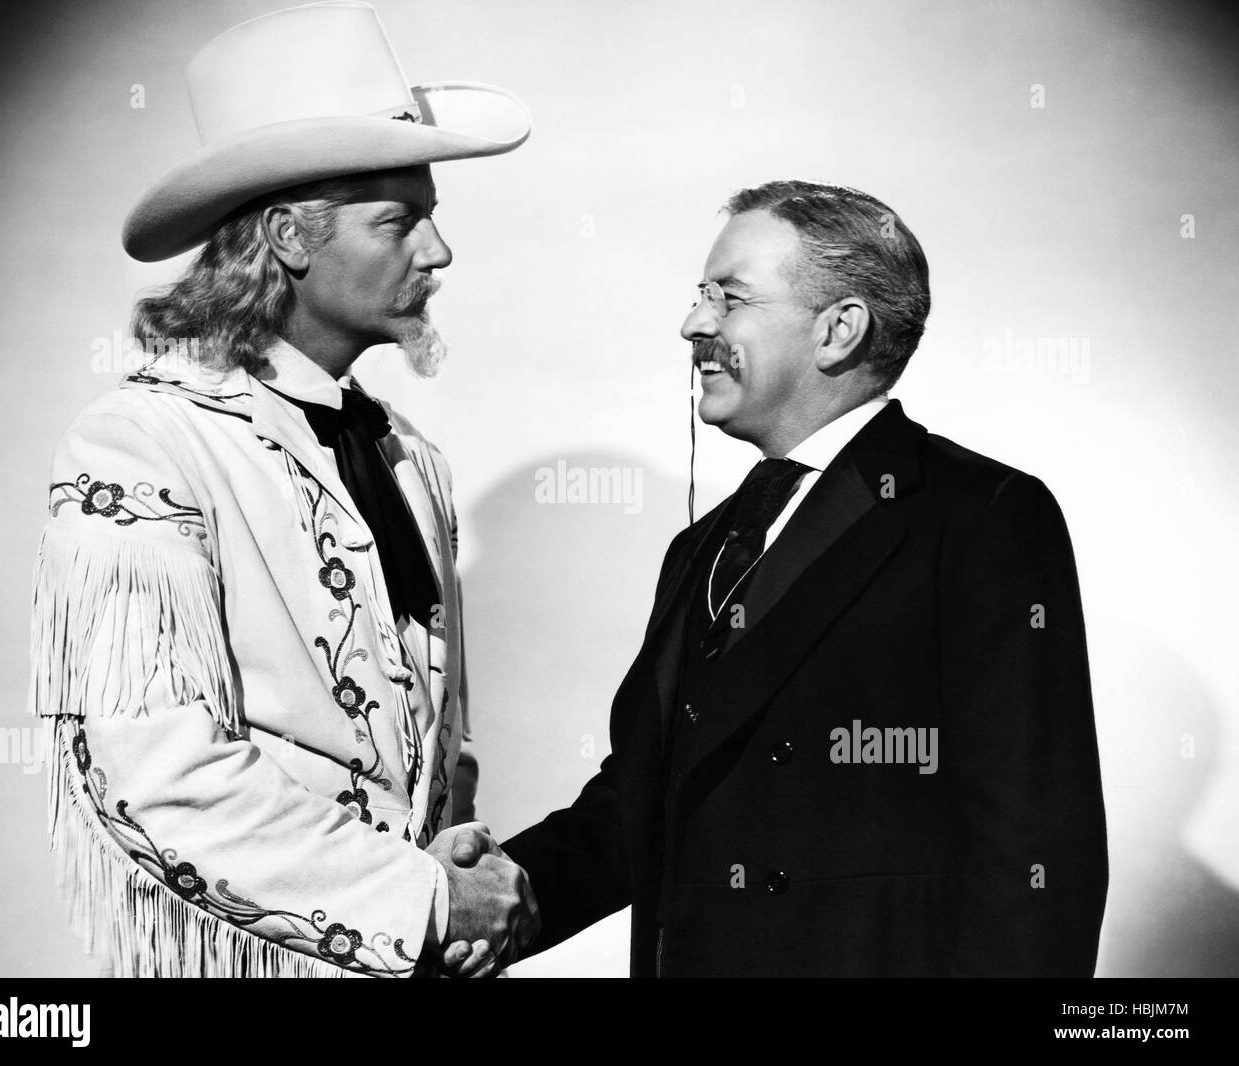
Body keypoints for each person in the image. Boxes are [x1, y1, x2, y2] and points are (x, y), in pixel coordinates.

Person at [456, 180, 1108, 977]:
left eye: (726, 299)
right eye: (699, 297)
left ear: (838, 330)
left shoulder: (983, 516)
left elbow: (1039, 855)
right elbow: (641, 805)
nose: (693, 323)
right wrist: (499, 893)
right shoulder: (702, 546)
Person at [28, 2, 537, 978]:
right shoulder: (138, 445)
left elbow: (437, 742)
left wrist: (460, 871)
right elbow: (153, 777)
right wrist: (426, 898)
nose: (438, 253)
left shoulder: (404, 457)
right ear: (287, 236)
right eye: (400, 219)